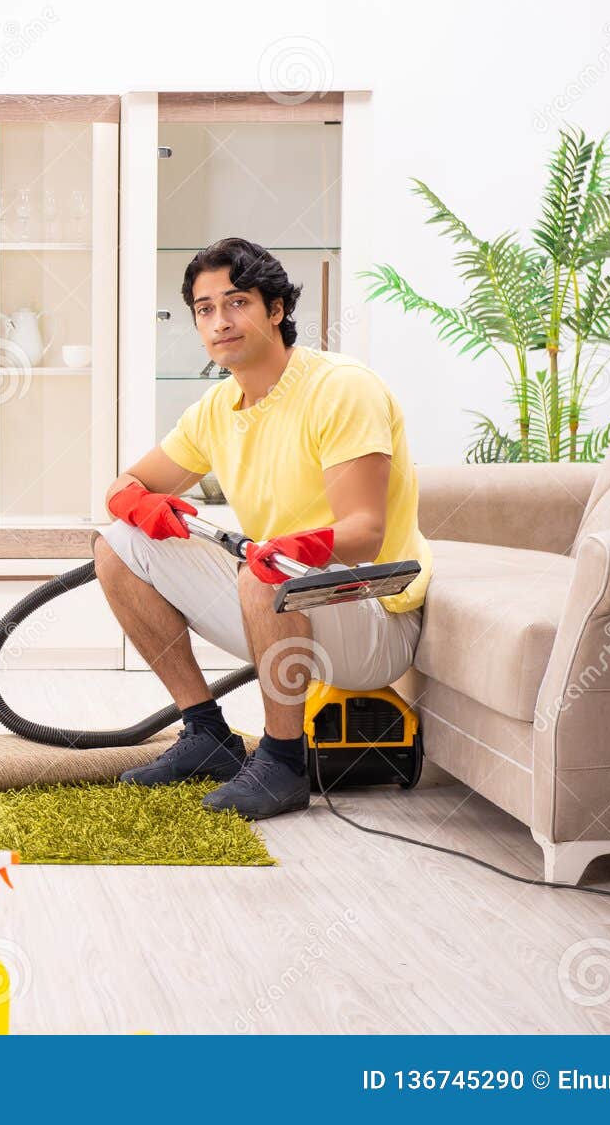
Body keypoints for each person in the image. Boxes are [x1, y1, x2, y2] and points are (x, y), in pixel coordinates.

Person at [95, 237, 431, 819]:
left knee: (263, 571)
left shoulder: (339, 388)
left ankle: (282, 762)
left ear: (275, 309)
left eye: (237, 302)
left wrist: (292, 548)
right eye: (205, 309)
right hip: (283, 599)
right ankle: (206, 735)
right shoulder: (216, 409)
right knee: (116, 546)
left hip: (374, 613)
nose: (220, 321)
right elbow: (127, 484)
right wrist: (136, 503)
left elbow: (365, 533)